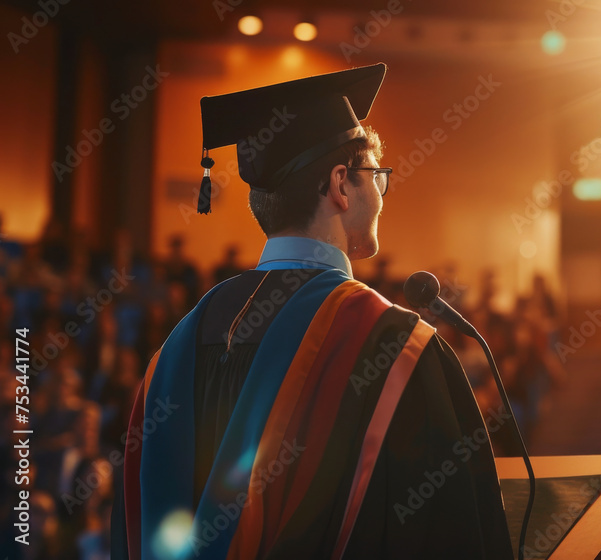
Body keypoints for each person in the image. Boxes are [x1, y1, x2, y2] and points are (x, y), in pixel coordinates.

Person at [110, 63, 512, 559]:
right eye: (376, 179)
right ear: (341, 185)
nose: (382, 195)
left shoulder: (176, 348)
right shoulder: (395, 347)